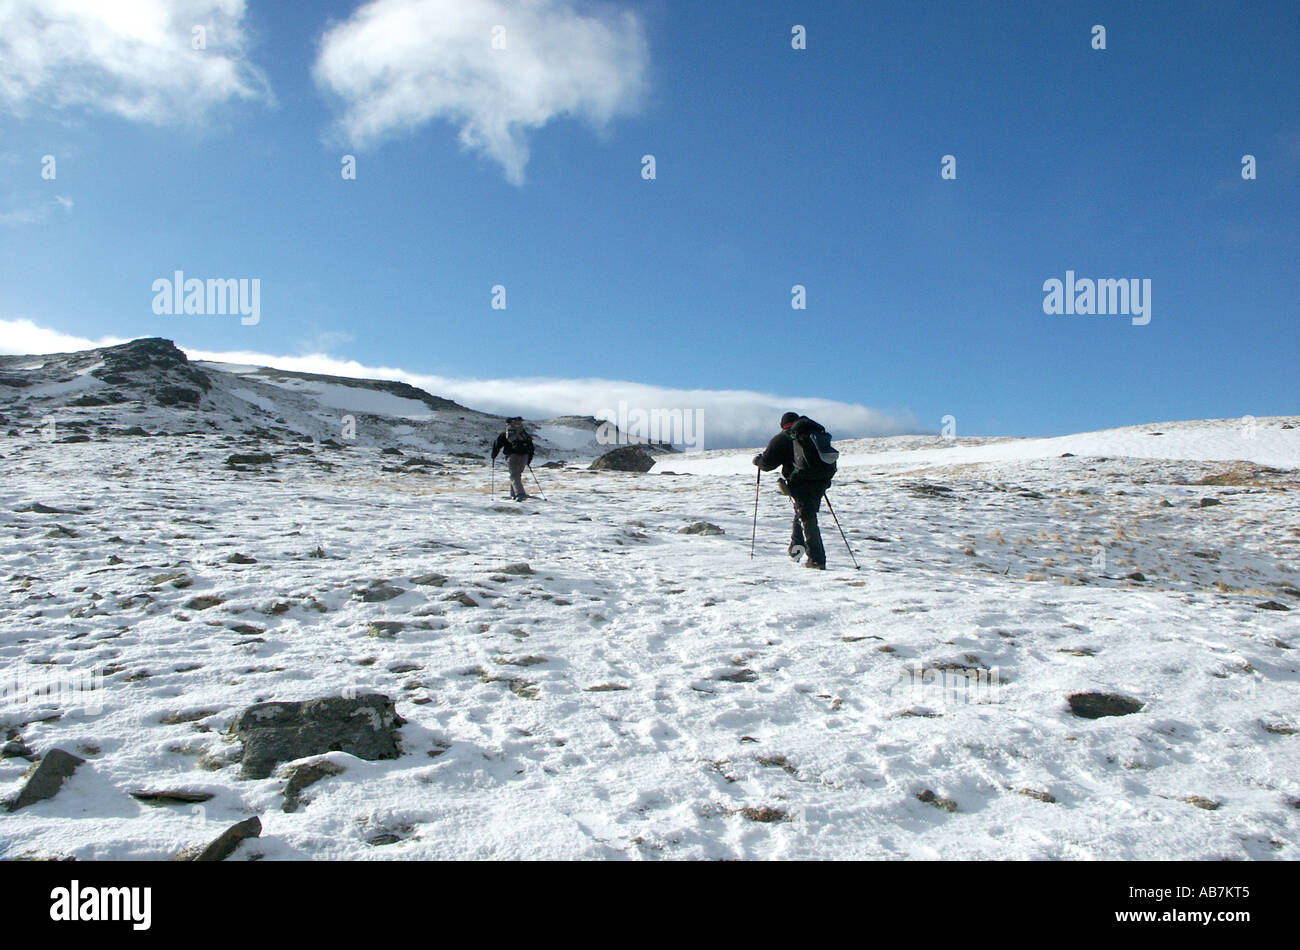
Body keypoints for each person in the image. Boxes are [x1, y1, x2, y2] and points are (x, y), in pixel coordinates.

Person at [753, 412, 837, 569]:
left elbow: (767, 464)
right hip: (821, 480)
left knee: (807, 517)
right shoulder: (814, 433)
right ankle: (796, 550)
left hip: (801, 482)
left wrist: (758, 461)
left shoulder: (784, 438)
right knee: (803, 512)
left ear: (783, 425)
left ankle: (816, 559)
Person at [491, 417, 534, 500]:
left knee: (514, 475)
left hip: (512, 456)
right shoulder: (524, 434)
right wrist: (529, 460)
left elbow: (497, 445)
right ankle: (513, 494)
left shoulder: (505, 434)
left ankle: (520, 494)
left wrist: (493, 456)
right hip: (525, 456)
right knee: (517, 475)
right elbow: (531, 448)